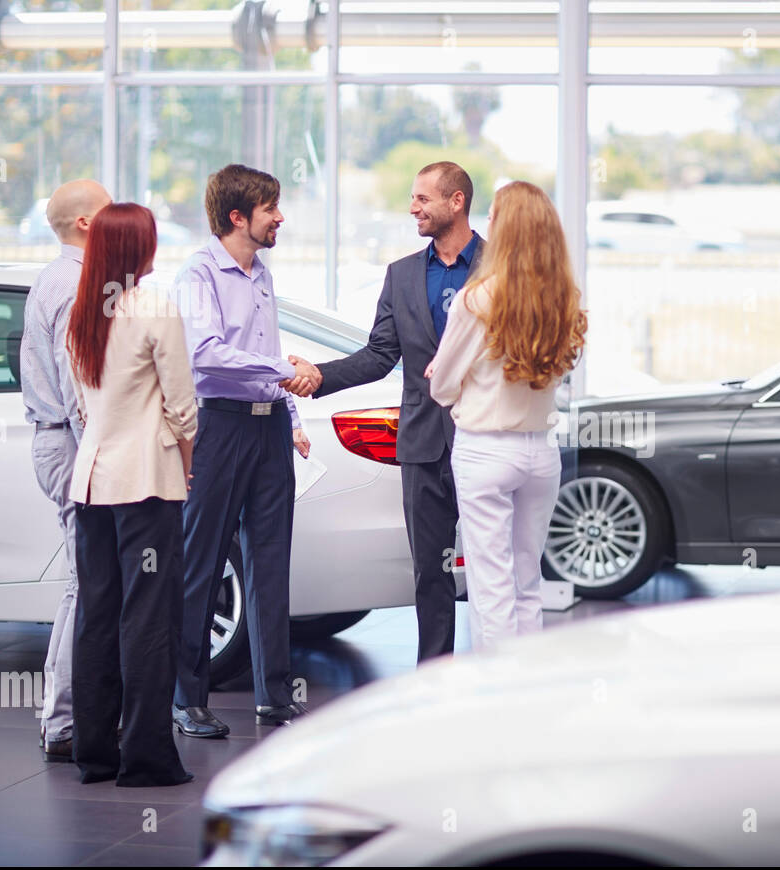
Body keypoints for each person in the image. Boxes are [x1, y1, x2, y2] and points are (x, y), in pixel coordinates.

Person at [287, 161, 482, 663]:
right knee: (430, 573)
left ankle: (494, 676)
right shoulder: (401, 276)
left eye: (423, 199)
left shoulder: (501, 267)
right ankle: (434, 674)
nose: (412, 208)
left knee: (491, 566)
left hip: (487, 439)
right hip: (421, 445)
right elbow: (379, 356)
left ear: (456, 201)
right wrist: (319, 376)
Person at [172, 164, 315, 736]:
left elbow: (267, 348)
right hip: (220, 428)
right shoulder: (198, 274)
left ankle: (274, 697)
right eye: (270, 208)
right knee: (200, 564)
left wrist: (294, 414)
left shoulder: (262, 274)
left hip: (269, 427)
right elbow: (205, 353)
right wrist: (286, 372)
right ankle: (187, 699)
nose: (280, 217)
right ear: (238, 216)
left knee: (271, 560)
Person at [424, 181, 586, 649]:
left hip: (485, 451)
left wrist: (451, 375)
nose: (487, 223)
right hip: (541, 454)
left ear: (507, 230)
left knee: (490, 586)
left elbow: (441, 385)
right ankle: (525, 691)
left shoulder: (479, 297)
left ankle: (495, 699)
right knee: (526, 582)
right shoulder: (564, 299)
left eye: (493, 216)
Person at [66, 202, 195, 787]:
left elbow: (81, 404)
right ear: (140, 248)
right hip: (145, 483)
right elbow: (183, 409)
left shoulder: (81, 312)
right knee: (147, 621)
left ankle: (94, 755)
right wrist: (186, 467)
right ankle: (145, 759)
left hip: (92, 485)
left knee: (97, 617)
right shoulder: (153, 306)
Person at [21, 179, 112, 762]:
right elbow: (80, 393)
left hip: (62, 442)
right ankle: (63, 724)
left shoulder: (57, 278)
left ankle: (68, 718)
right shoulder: (76, 286)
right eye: (108, 209)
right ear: (85, 224)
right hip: (73, 447)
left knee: (88, 582)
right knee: (87, 584)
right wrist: (101, 464)